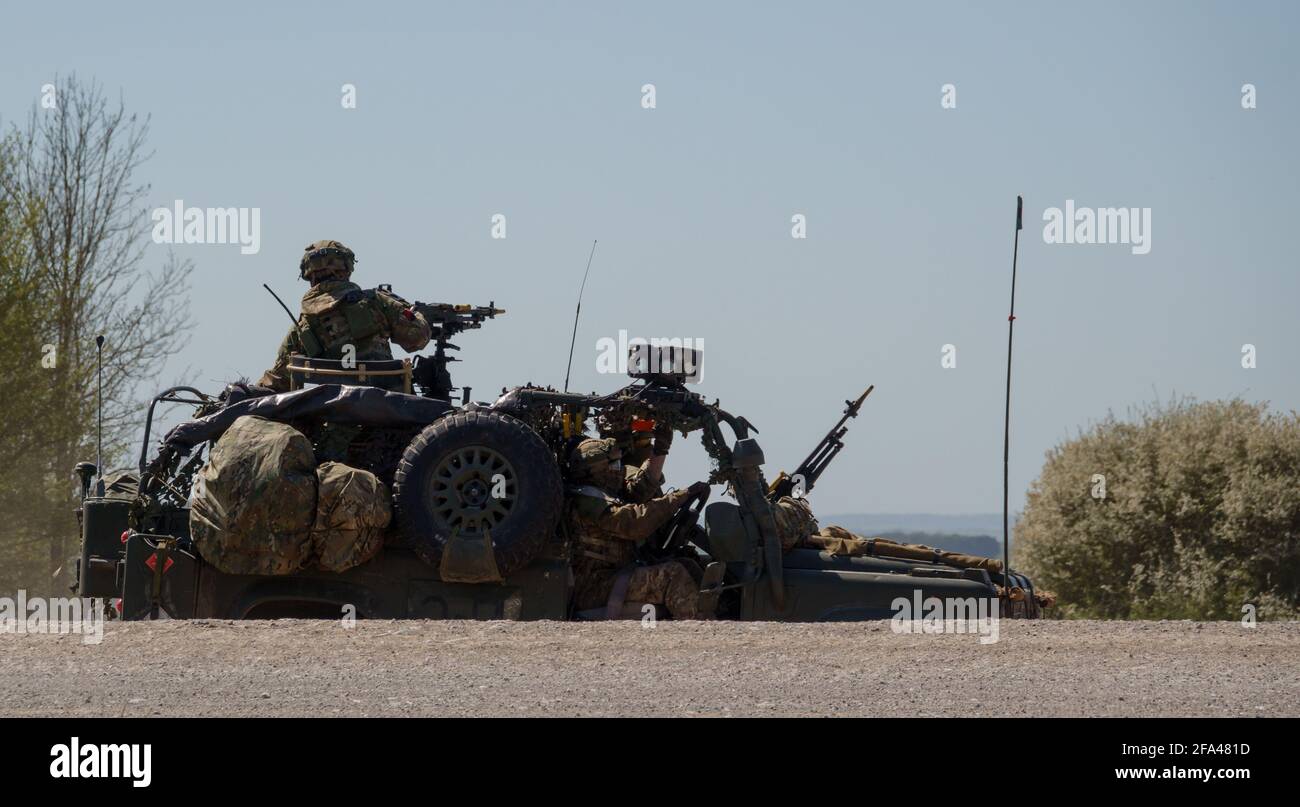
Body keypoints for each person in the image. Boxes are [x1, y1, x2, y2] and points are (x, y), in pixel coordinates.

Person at [564, 437, 713, 619]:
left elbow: (641, 488)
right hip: (594, 587)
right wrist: (677, 498)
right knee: (673, 575)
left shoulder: (605, 494)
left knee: (688, 564)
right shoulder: (586, 501)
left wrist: (660, 449)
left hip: (614, 576)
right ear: (596, 470)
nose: (619, 471)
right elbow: (633, 523)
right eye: (614, 465)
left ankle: (719, 621)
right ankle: (699, 633)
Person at [257, 240, 432, 392]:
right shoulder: (376, 301)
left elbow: (279, 379)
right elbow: (417, 338)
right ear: (346, 269)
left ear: (310, 275)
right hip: (392, 413)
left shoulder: (302, 327)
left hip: (333, 420)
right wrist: (416, 315)